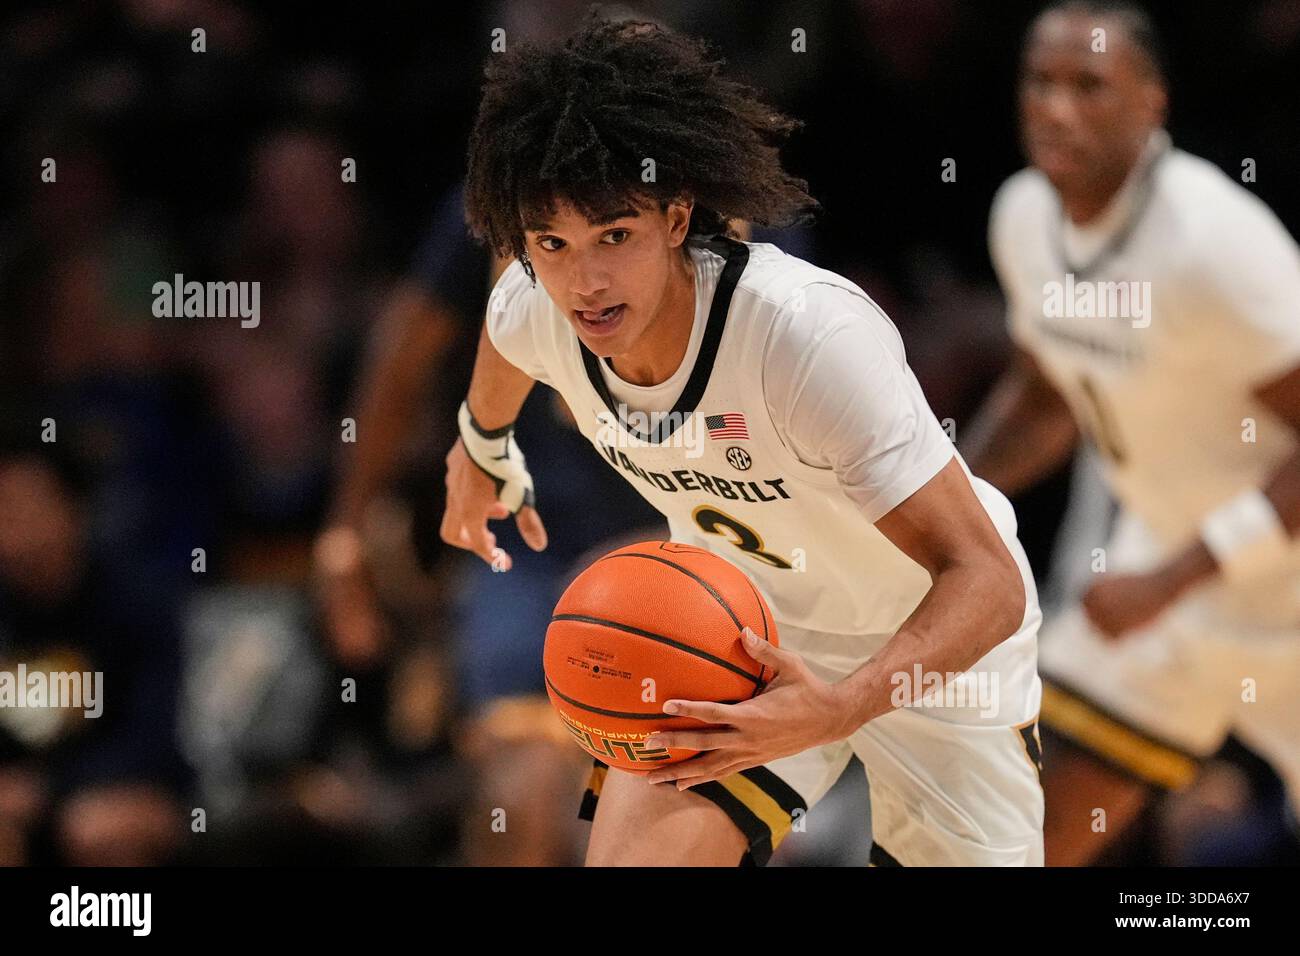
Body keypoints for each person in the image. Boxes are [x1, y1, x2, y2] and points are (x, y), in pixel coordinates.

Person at [442, 16, 1045, 866]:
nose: (585, 282)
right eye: (553, 245)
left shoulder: (803, 340)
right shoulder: (536, 307)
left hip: (930, 647)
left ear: (678, 216)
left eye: (615, 236)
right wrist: (480, 448)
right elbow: (506, 343)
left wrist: (844, 703)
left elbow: (986, 582)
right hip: (739, 632)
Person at [964, 0, 1300, 865]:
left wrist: (1172, 578)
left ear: (1152, 103)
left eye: (1089, 85)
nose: (1056, 107)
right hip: (1165, 585)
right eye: (1039, 81)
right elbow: (1047, 400)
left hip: (1267, 593)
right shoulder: (1022, 217)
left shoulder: (1214, 242)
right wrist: (942, 504)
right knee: (1022, 832)